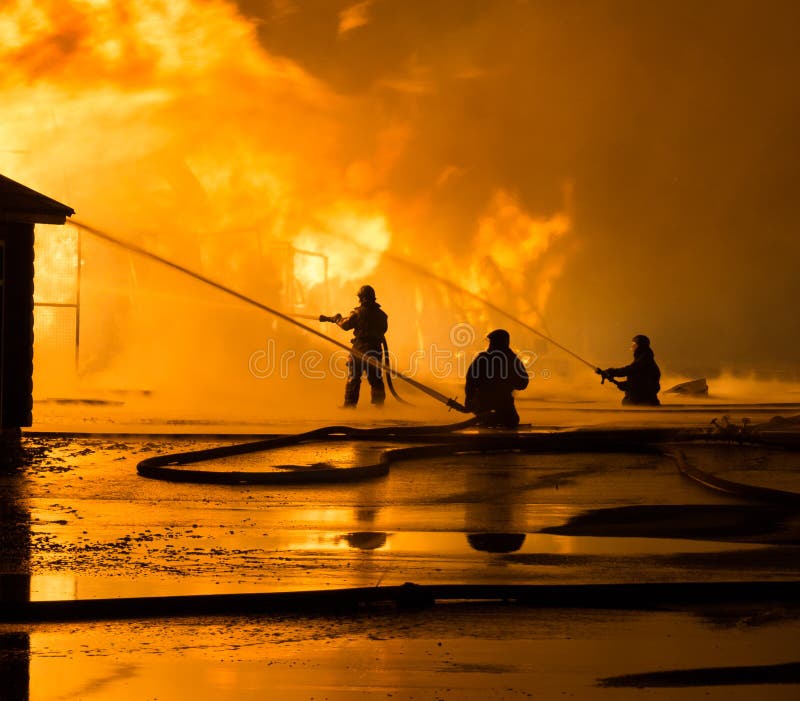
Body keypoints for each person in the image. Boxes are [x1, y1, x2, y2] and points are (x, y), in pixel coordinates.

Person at [322, 285, 388, 408]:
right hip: (375, 350)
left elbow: (345, 325)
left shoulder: (357, 313)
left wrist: (336, 319)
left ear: (362, 298)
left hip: (359, 349)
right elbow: (383, 330)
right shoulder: (382, 315)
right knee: (376, 379)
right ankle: (379, 406)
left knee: (354, 377)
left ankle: (349, 405)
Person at [465, 329, 529, 428]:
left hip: (496, 399)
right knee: (511, 420)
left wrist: (469, 397)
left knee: (510, 420)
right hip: (491, 399)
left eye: (492, 342)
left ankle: (489, 419)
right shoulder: (511, 359)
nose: (490, 345)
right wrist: (469, 398)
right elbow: (523, 383)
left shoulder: (484, 358)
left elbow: (471, 380)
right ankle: (489, 418)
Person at [597, 334, 661, 405]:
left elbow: (631, 369)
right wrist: (627, 385)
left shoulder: (645, 359)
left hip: (642, 400)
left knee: (626, 403)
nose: (632, 346)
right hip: (642, 398)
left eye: (634, 344)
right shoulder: (645, 358)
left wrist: (612, 372)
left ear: (640, 346)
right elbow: (640, 377)